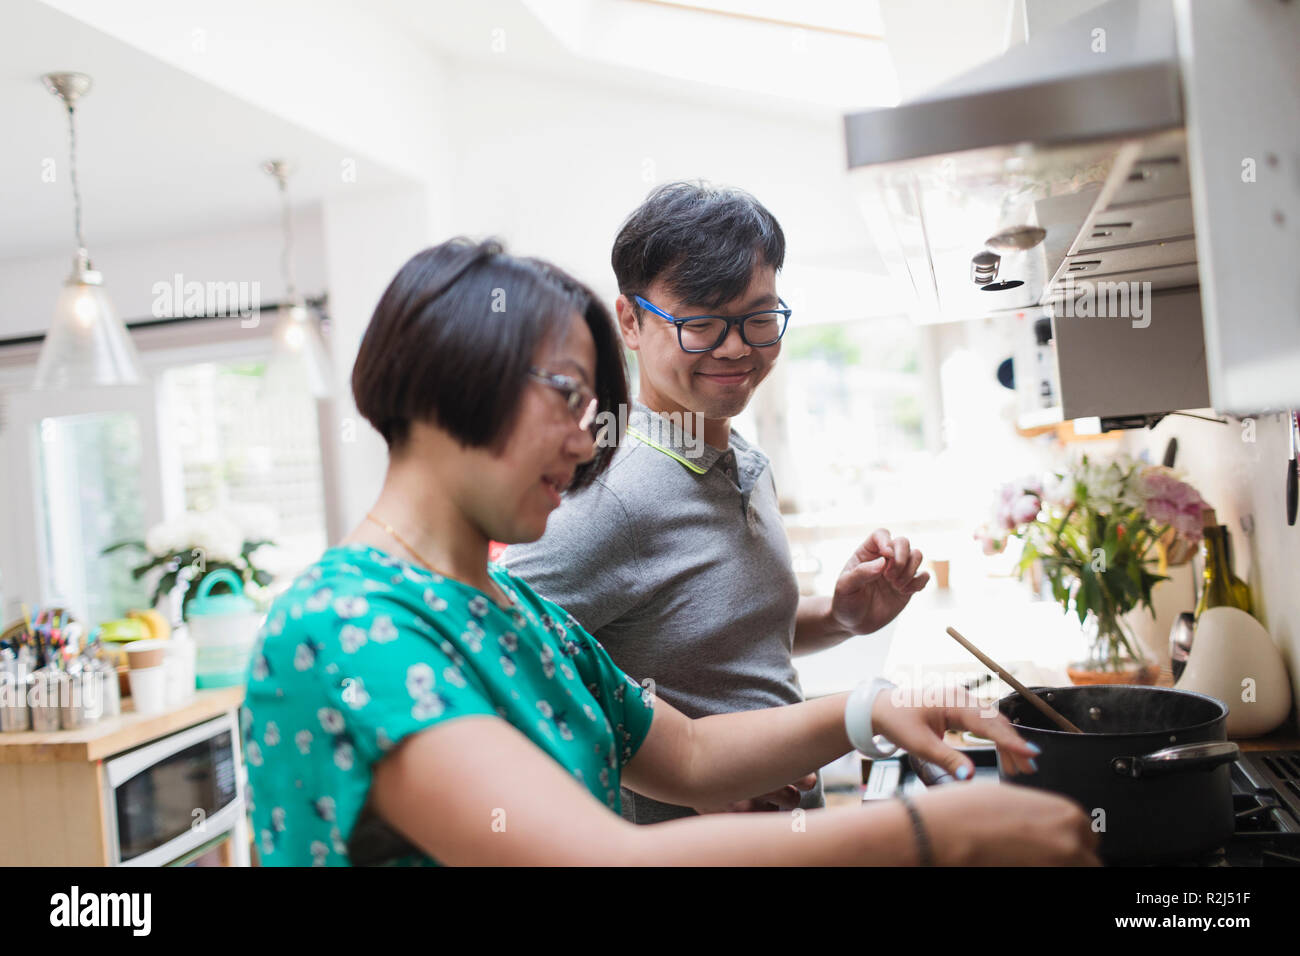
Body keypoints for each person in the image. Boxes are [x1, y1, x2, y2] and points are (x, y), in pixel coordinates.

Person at [240, 237, 1098, 866]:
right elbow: (598, 860)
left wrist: (866, 708)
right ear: (446, 381)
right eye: (568, 398)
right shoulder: (347, 627)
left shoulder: (521, 616)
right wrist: (922, 835)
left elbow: (688, 757)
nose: (586, 444)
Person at [503, 182, 927, 823]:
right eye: (700, 322)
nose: (736, 348)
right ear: (630, 323)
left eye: (758, 318)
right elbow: (495, 665)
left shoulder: (742, 462)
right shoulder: (609, 492)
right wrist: (677, 780)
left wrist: (838, 617)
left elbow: (719, 644)